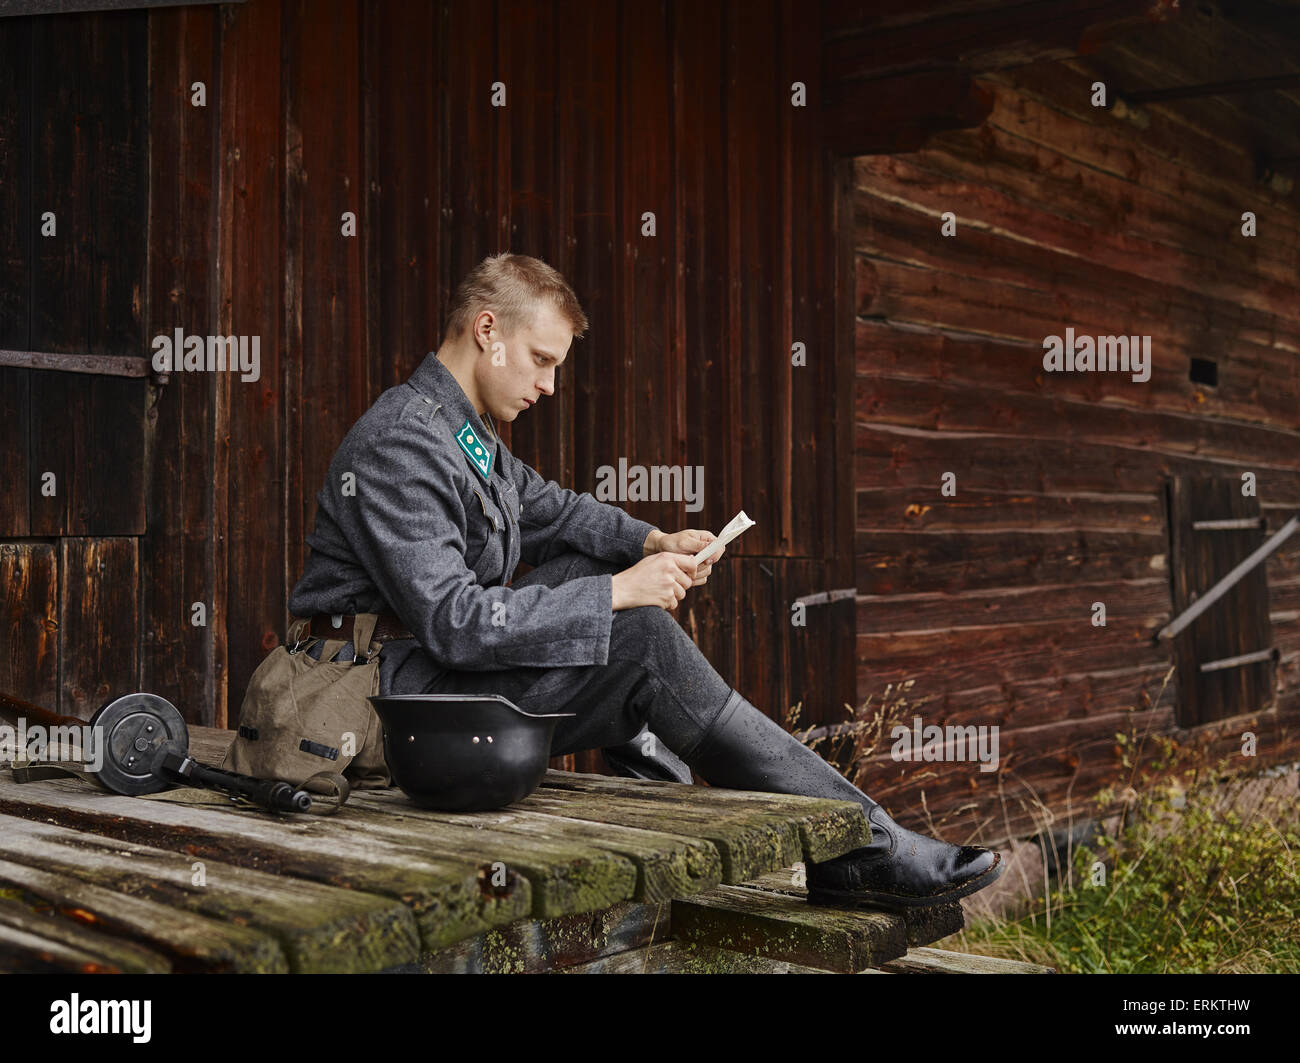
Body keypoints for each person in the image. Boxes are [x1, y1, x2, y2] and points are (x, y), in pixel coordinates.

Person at [287, 252, 1004, 911]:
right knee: (635, 633)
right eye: (541, 360)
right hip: (379, 701)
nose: (548, 384)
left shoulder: (465, 432)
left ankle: (685, 803)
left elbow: (553, 511)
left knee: (599, 574)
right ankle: (860, 846)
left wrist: (653, 540)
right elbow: (456, 622)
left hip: (426, 685)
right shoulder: (402, 439)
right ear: (486, 330)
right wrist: (618, 592)